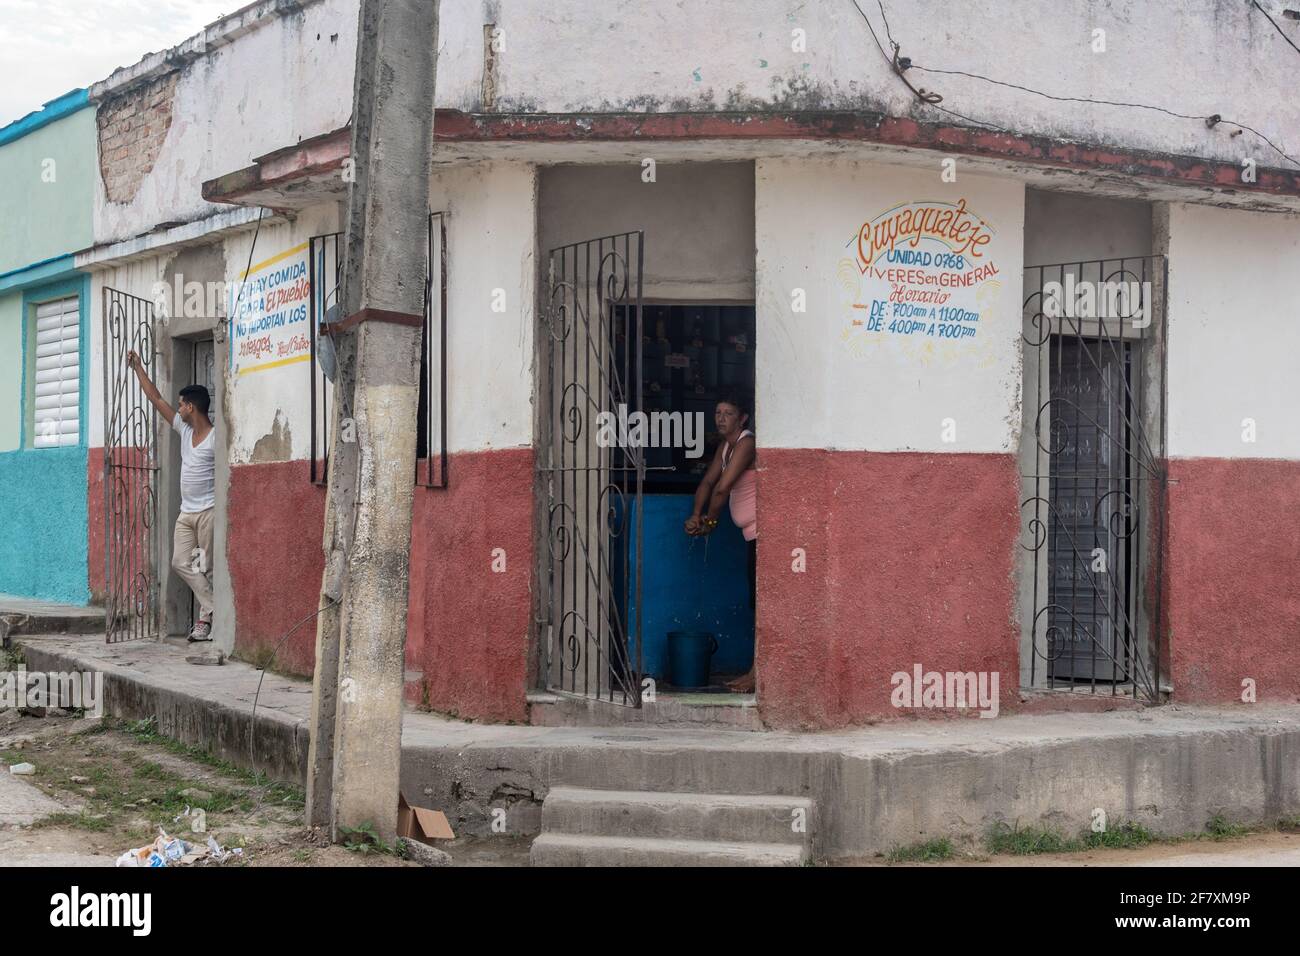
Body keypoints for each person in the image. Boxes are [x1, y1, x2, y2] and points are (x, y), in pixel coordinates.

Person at [126, 351, 216, 642]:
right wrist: (138, 368)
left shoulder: (216, 438)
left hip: (209, 511)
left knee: (206, 566)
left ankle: (204, 622)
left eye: (181, 404)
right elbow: (155, 399)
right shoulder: (184, 428)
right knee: (180, 561)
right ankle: (213, 606)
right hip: (186, 512)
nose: (178, 409)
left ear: (191, 407)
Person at [684, 394, 757, 692]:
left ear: (742, 418)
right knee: (755, 602)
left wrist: (710, 524)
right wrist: (695, 515)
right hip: (750, 534)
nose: (721, 417)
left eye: (729, 413)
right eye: (718, 412)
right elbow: (707, 484)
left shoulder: (746, 444)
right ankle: (755, 672)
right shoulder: (726, 447)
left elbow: (724, 488)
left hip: (761, 535)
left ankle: (756, 674)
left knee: (759, 604)